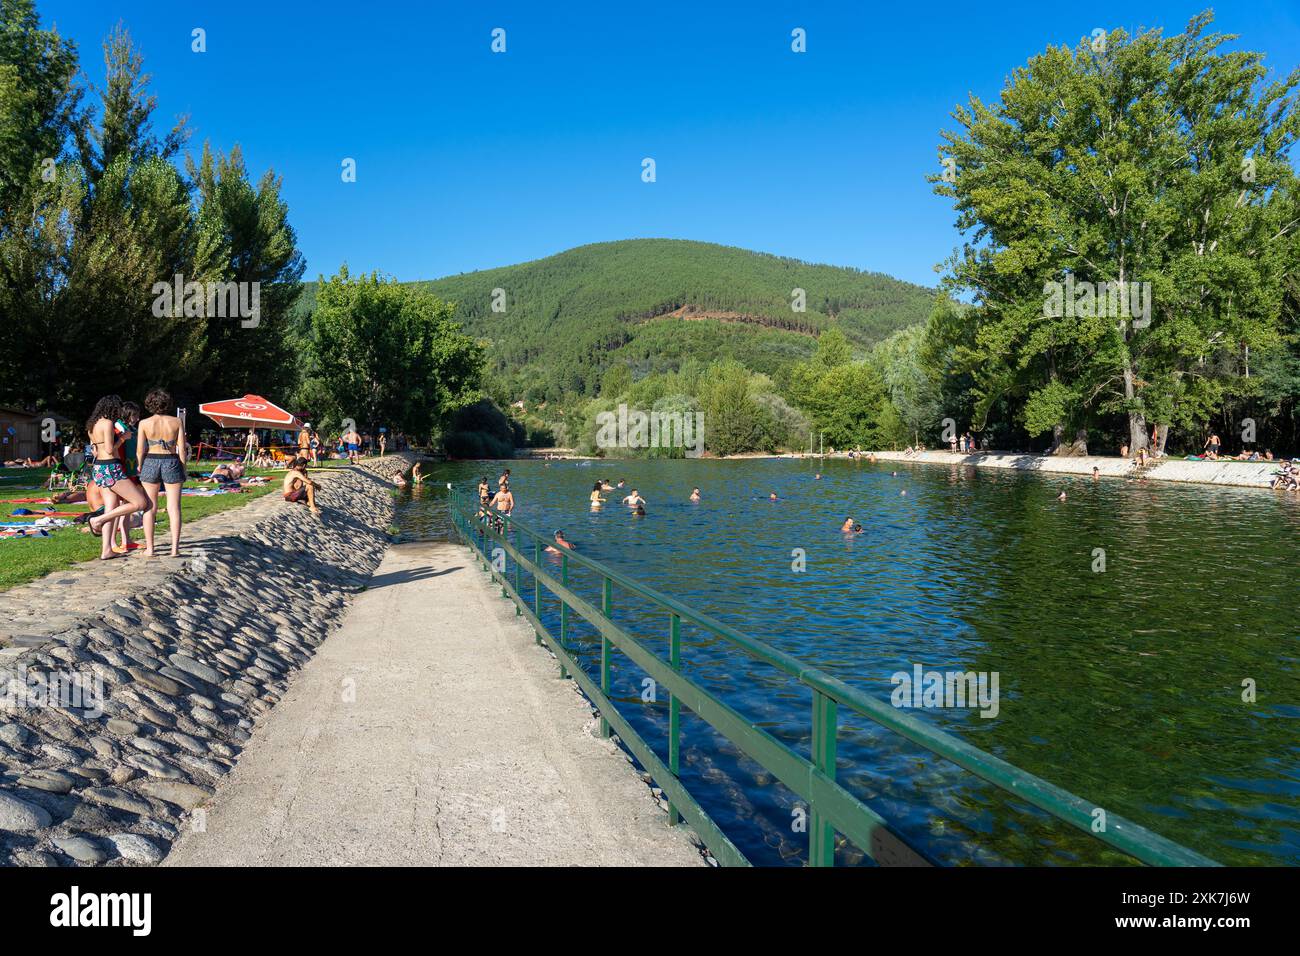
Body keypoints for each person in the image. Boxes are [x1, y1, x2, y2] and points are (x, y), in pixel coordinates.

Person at [85, 395, 150, 560]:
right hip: (110, 466)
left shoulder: (92, 425)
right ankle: (97, 520)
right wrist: (123, 438)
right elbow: (108, 449)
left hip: (98, 467)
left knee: (111, 507)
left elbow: (95, 449)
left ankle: (106, 550)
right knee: (140, 502)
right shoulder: (107, 423)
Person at [137, 387, 187, 558]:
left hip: (151, 459)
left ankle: (150, 548)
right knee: (174, 507)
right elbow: (182, 449)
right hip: (171, 459)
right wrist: (183, 467)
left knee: (150, 508)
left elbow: (139, 450)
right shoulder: (177, 422)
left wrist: (139, 464)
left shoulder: (144, 423)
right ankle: (175, 549)